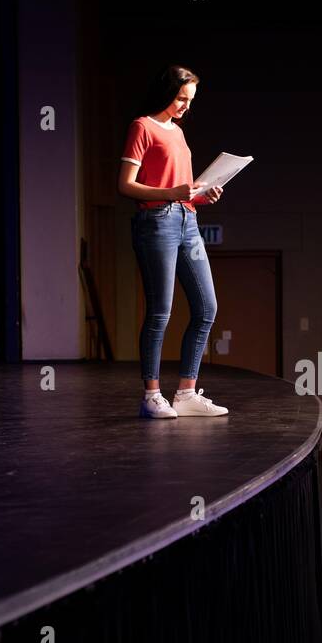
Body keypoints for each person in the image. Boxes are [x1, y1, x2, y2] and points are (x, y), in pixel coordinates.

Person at [117, 64, 229, 419]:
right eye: (182, 98)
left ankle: (186, 392)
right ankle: (151, 395)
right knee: (160, 311)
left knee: (207, 308)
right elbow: (125, 185)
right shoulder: (142, 126)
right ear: (167, 92)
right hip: (157, 222)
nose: (185, 106)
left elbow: (183, 190)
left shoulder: (178, 133)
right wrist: (173, 192)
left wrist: (199, 196)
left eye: (190, 100)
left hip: (188, 220)